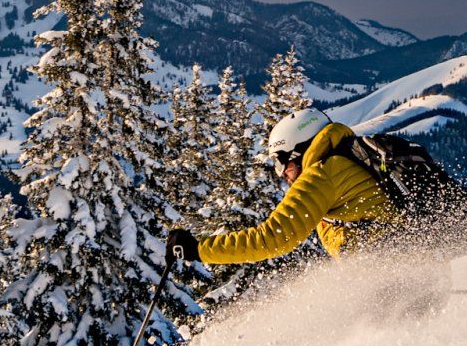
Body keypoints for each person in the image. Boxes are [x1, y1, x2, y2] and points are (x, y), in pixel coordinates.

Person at [165, 108, 404, 269]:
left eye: (281, 163)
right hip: (401, 260)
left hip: (394, 267)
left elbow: (273, 238)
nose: (282, 174)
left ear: (299, 150)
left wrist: (198, 249)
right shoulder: (344, 161)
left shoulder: (322, 174)